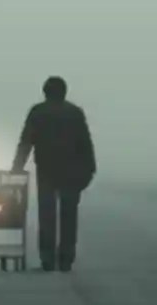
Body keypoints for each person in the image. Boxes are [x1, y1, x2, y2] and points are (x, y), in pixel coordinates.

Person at [11, 76, 96, 271]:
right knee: (69, 216)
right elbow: (85, 143)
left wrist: (17, 167)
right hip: (72, 172)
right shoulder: (75, 113)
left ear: (45, 92)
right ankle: (66, 259)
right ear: (64, 92)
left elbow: (26, 142)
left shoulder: (38, 112)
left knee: (47, 216)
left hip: (46, 171)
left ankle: (47, 259)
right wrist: (90, 169)